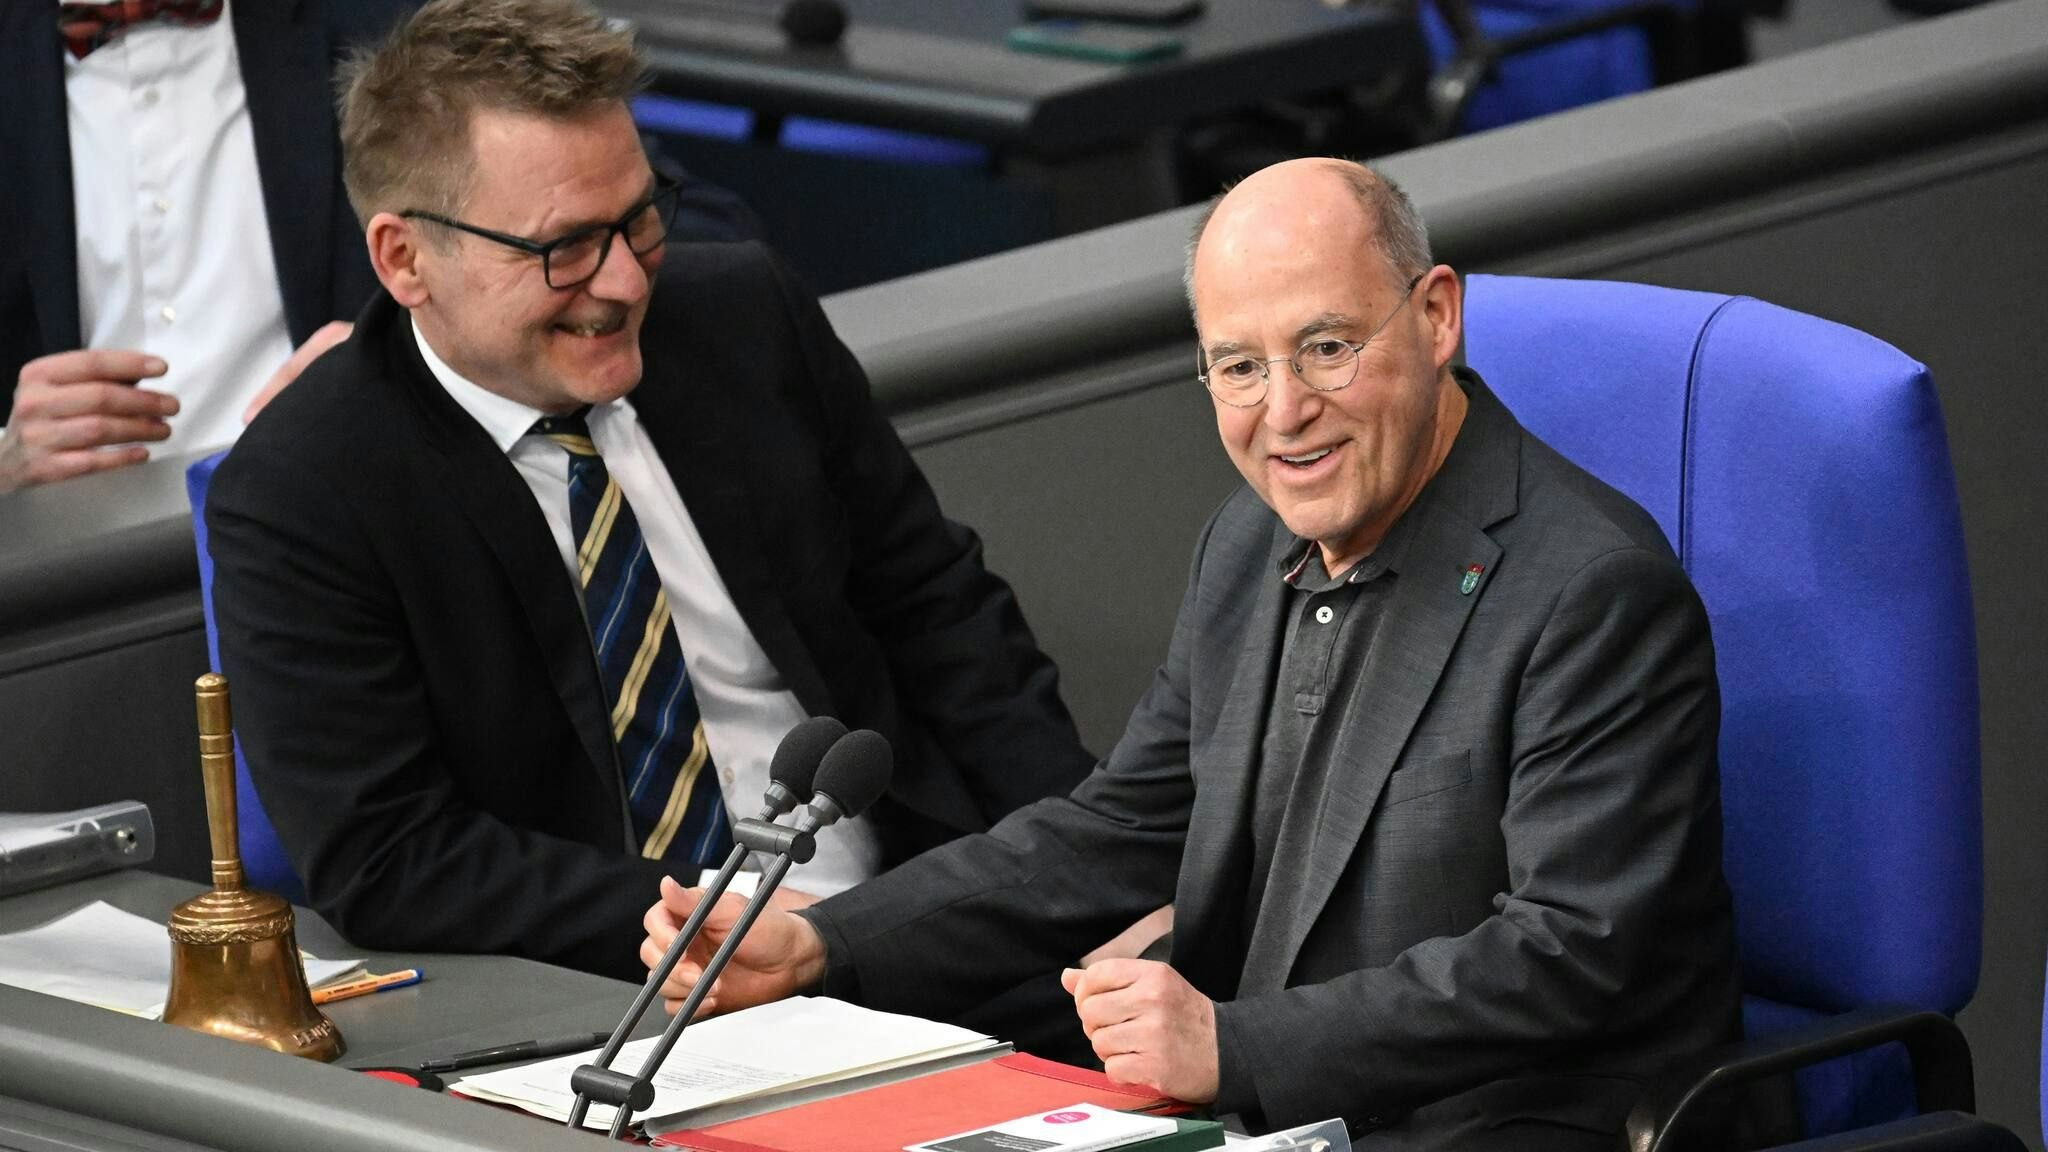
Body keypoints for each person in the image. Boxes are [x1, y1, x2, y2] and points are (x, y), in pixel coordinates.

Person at [641, 158, 1743, 1149]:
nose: (1285, 413)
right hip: (1280, 1117)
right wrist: (818, 943)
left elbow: (1564, 956)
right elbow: (1122, 827)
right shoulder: (1249, 538)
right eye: (1237, 367)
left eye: (1325, 348)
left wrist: (1235, 1045)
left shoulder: (1590, 591)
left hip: (1518, 1120)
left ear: (1435, 316)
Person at [202, 0, 1097, 991]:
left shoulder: (740, 317)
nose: (624, 280)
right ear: (405, 259)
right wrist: (728, 921)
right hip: (612, 985)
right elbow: (393, 856)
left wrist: (1085, 868)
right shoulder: (304, 489)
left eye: (639, 217)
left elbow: (942, 617)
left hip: (916, 927)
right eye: (567, 247)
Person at [0, 0, 759, 494]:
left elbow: (697, 228)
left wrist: (406, 350)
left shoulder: (393, 19)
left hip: (367, 529)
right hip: (59, 595)